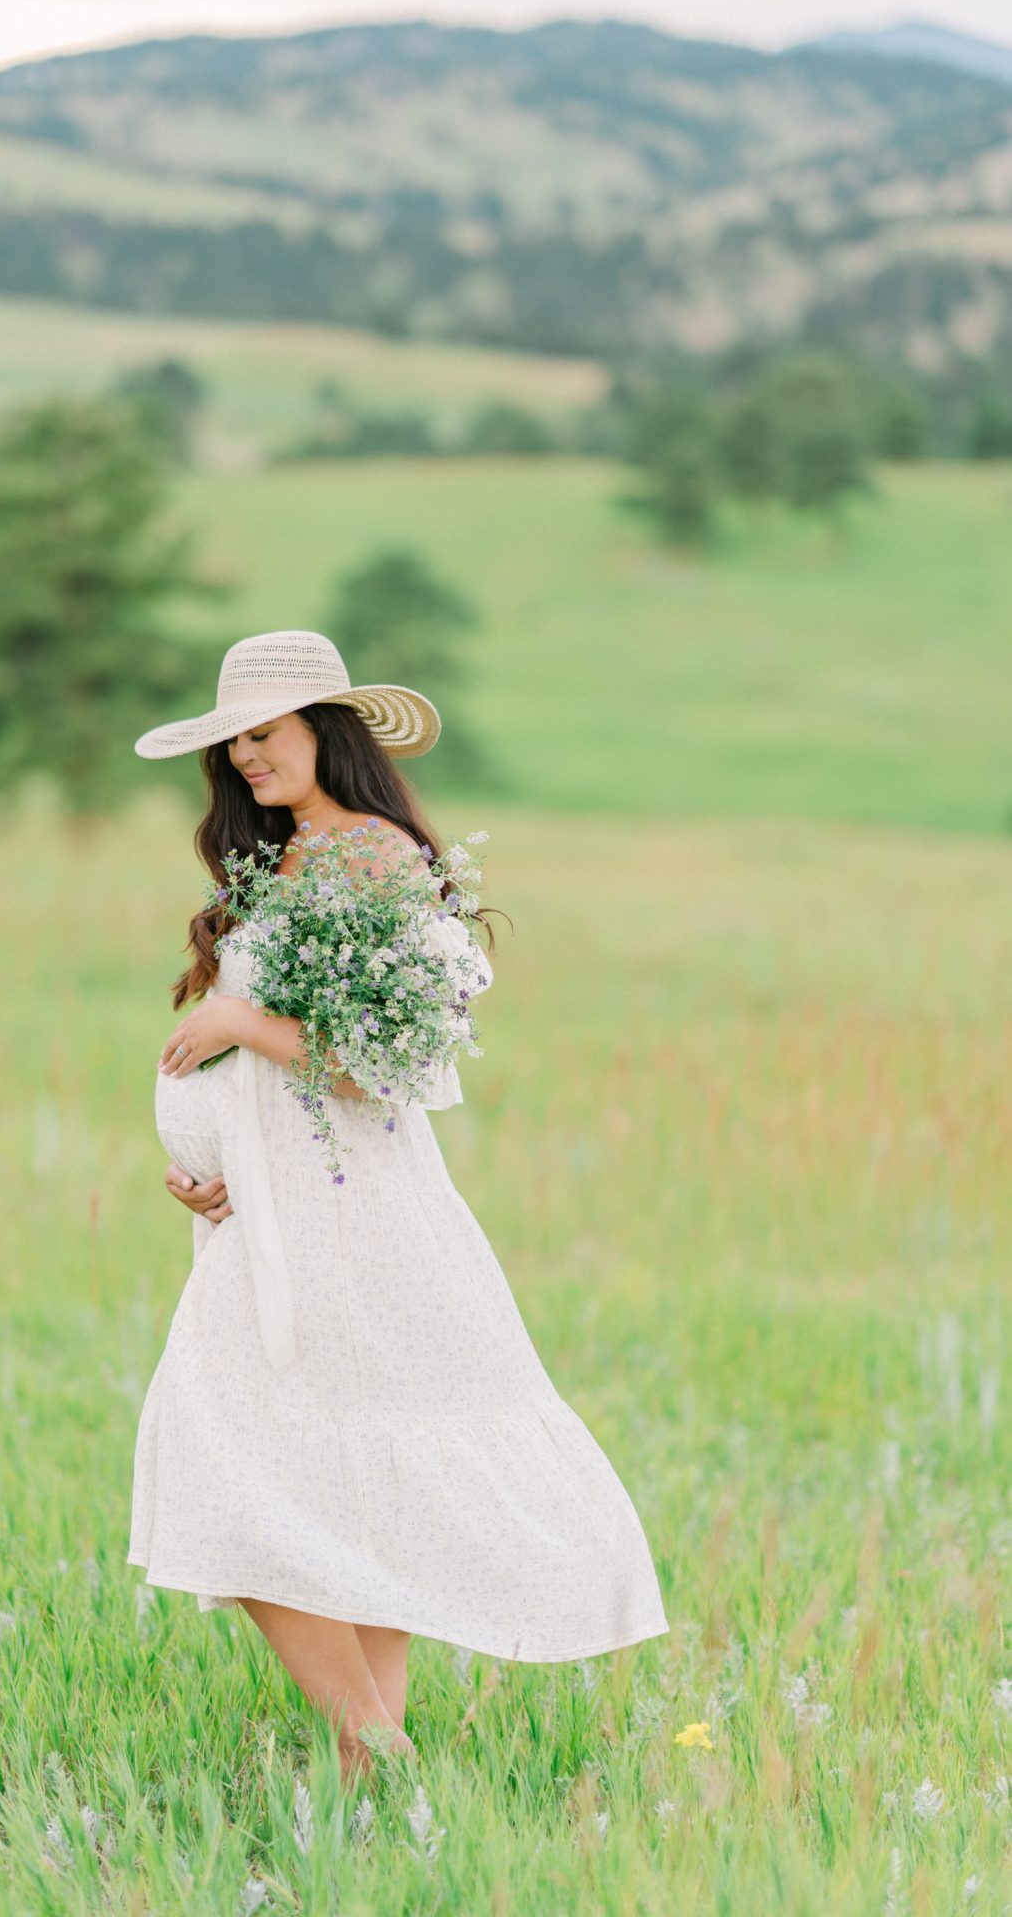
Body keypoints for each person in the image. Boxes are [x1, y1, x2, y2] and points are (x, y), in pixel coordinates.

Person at [127, 630, 668, 1785]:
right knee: (339, 1472)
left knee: (222, 1458)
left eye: (264, 733)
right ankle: (375, 1769)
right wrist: (226, 1162)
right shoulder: (285, 858)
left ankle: (377, 1740)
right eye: (232, 742)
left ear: (329, 728)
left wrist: (237, 1027)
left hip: (348, 1215)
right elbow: (290, 1071)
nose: (246, 757)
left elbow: (395, 1068)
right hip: (270, 1208)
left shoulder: (369, 857)